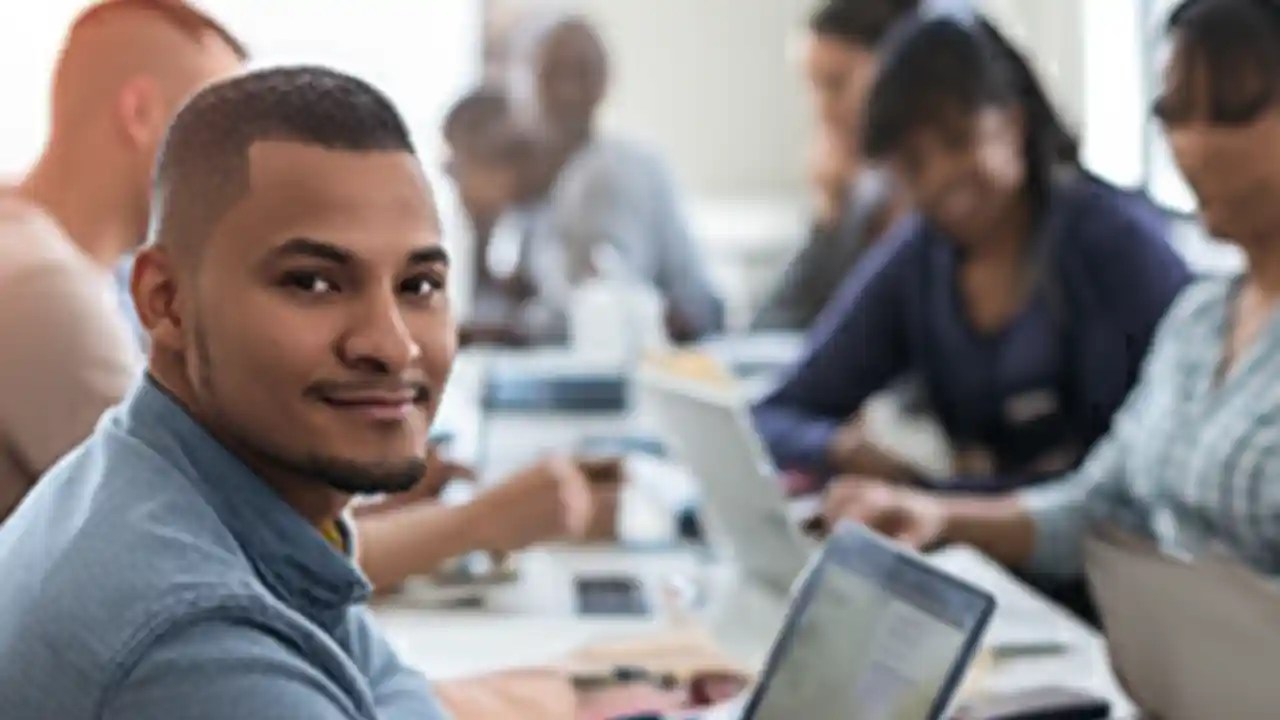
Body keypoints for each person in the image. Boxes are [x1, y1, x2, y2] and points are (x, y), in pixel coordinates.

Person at [0, 65, 679, 720]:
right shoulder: (190, 642)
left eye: (419, 286)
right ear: (166, 301)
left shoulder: (217, 495)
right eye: (313, 282)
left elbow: (386, 692)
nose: (392, 344)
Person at [823, 0, 1280, 584]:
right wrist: (937, 515)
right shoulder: (1200, 322)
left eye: (1230, 110)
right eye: (1173, 112)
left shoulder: (1112, 240)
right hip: (1161, 661)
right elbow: (1096, 509)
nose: (1189, 144)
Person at [754, 16, 1191, 492]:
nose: (942, 176)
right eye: (914, 163)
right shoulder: (919, 257)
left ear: (1014, 123)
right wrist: (842, 449)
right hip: (973, 537)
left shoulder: (1116, 245)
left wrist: (940, 505)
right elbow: (778, 413)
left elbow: (1116, 479)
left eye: (958, 141)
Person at [0, 0, 244, 523]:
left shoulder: (69, 265)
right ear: (140, 114)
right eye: (219, 134)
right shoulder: (37, 285)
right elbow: (213, 538)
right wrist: (463, 524)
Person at [513, 15, 725, 343]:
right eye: (553, 73)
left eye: (582, 73)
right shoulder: (542, 177)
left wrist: (510, 330)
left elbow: (602, 311)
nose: (567, 90)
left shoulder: (611, 171)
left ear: (606, 81)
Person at [751, 0, 915, 331]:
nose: (823, 111)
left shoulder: (945, 205)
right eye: (813, 89)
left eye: (836, 84)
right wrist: (830, 218)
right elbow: (769, 328)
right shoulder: (863, 197)